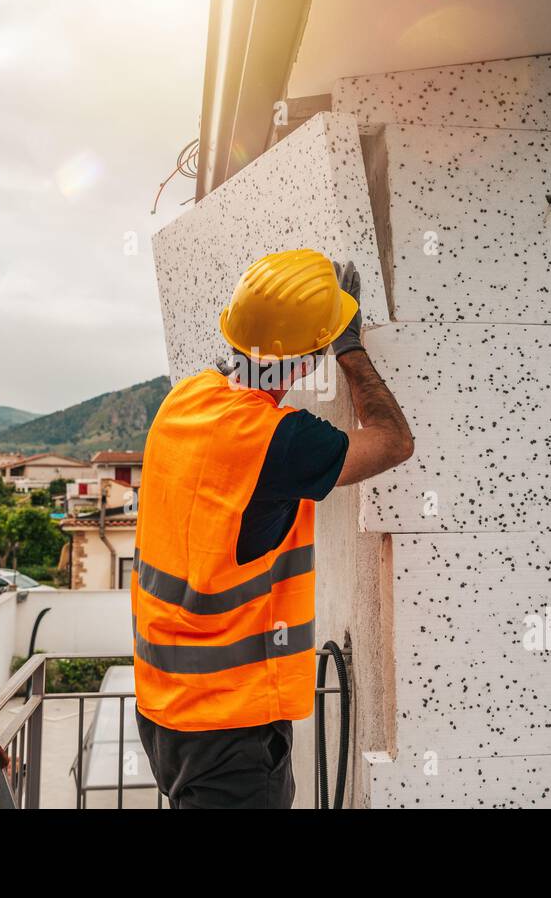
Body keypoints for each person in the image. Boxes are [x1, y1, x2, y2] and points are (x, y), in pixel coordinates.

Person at [131, 247, 413, 808]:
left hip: (165, 711)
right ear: (310, 360)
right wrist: (349, 345)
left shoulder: (184, 401)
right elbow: (393, 441)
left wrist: (298, 316)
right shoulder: (278, 442)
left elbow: (248, 362)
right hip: (229, 729)